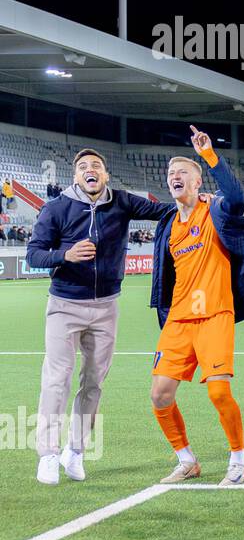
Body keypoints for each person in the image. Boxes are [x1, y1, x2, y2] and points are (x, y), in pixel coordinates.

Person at [26, 148, 176, 485]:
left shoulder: (122, 201)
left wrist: (195, 198)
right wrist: (65, 254)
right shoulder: (56, 208)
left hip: (106, 306)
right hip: (64, 305)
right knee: (57, 379)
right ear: (75, 176)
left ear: (106, 175)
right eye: (83, 167)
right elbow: (33, 254)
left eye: (96, 166)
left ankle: (75, 452)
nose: (90, 170)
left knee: (93, 382)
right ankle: (48, 454)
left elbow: (165, 211)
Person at [149, 126, 244, 486]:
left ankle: (239, 460)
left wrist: (210, 156)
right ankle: (186, 460)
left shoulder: (215, 211)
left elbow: (238, 197)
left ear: (198, 183)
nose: (175, 178)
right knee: (159, 394)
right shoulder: (168, 224)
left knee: (218, 391)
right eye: (170, 175)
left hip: (214, 315)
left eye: (183, 173)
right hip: (179, 321)